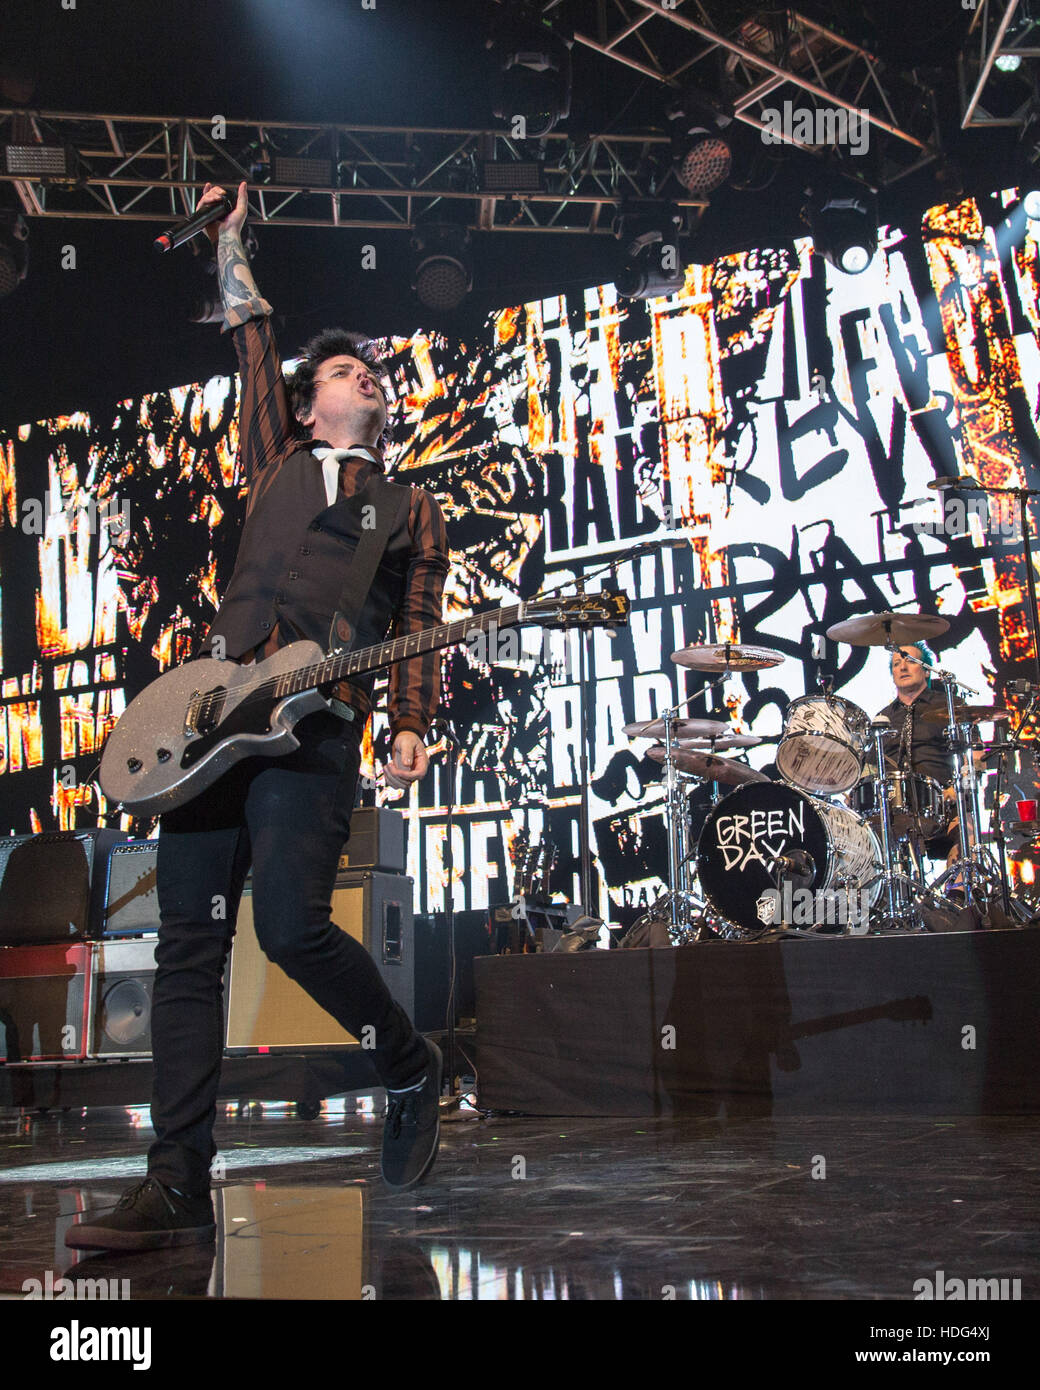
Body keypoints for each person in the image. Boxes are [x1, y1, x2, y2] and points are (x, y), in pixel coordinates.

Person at [67, 182, 450, 1252]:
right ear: (310, 397)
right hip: (208, 720)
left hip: (312, 729)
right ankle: (177, 1176)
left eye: (373, 372)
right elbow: (249, 332)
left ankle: (404, 1059)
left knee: (287, 927)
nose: (364, 376)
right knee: (186, 948)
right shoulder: (272, 459)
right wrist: (232, 240)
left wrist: (409, 719)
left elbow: (420, 614)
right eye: (343, 368)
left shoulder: (406, 503)